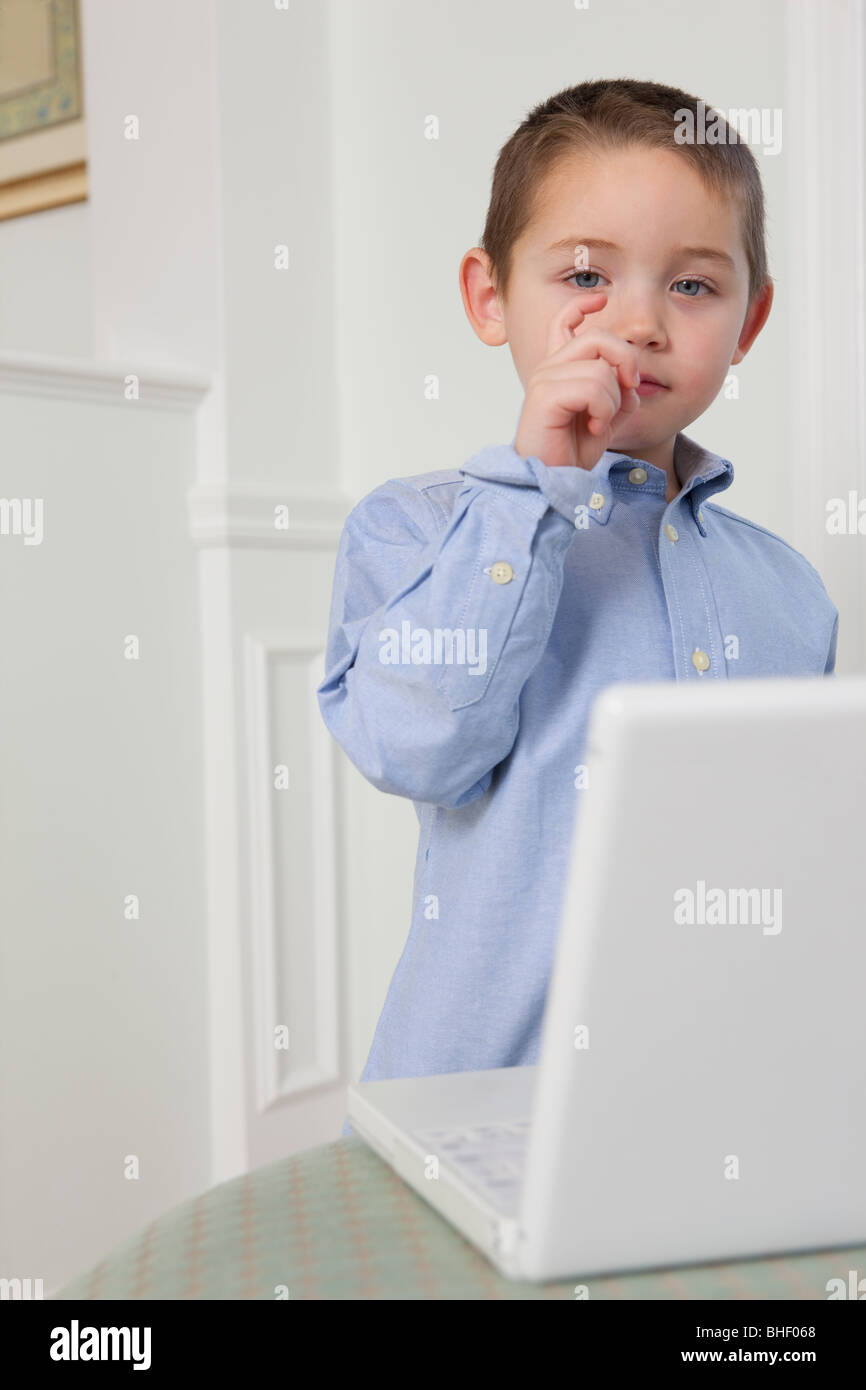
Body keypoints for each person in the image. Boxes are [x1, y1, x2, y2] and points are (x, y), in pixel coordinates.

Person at [316, 78, 839, 1139]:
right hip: (467, 1107)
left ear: (750, 319)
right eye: (586, 274)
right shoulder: (414, 530)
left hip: (709, 1112)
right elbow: (413, 744)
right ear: (488, 295)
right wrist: (529, 491)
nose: (637, 323)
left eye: (692, 287)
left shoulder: (789, 593)